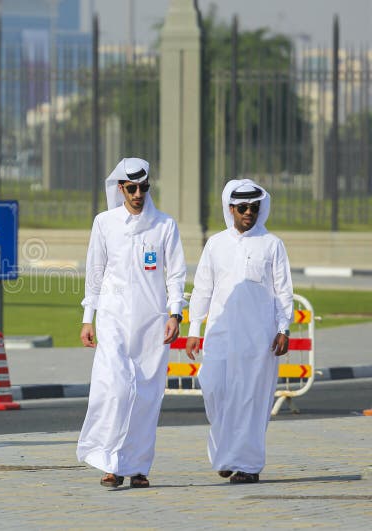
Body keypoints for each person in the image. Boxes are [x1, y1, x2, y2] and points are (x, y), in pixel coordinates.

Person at [77, 157, 187, 489]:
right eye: (132, 188)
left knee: (147, 395)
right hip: (112, 320)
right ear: (120, 188)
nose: (138, 194)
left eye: (143, 187)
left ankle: (137, 466)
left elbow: (176, 274)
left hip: (152, 323)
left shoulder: (164, 225)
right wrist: (87, 319)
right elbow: (94, 274)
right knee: (115, 389)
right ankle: (110, 464)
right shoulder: (104, 223)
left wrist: (175, 314)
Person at [185, 179, 293, 484]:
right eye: (243, 207)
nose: (250, 213)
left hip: (259, 339)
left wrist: (284, 328)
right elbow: (203, 287)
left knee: (251, 400)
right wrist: (194, 328)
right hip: (220, 334)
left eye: (255, 207)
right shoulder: (216, 244)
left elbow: (283, 291)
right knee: (214, 389)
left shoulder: (272, 244)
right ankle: (226, 452)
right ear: (230, 208)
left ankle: (247, 464)